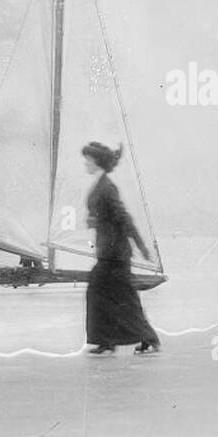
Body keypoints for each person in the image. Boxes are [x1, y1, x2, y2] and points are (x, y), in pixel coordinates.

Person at [81, 140, 161, 356]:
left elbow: (123, 218)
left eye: (88, 160)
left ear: (96, 161)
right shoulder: (101, 184)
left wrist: (142, 247)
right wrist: (95, 221)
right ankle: (108, 341)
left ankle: (145, 339)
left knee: (118, 296)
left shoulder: (107, 187)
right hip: (109, 251)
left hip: (115, 253)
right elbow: (105, 216)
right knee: (106, 294)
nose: (85, 164)